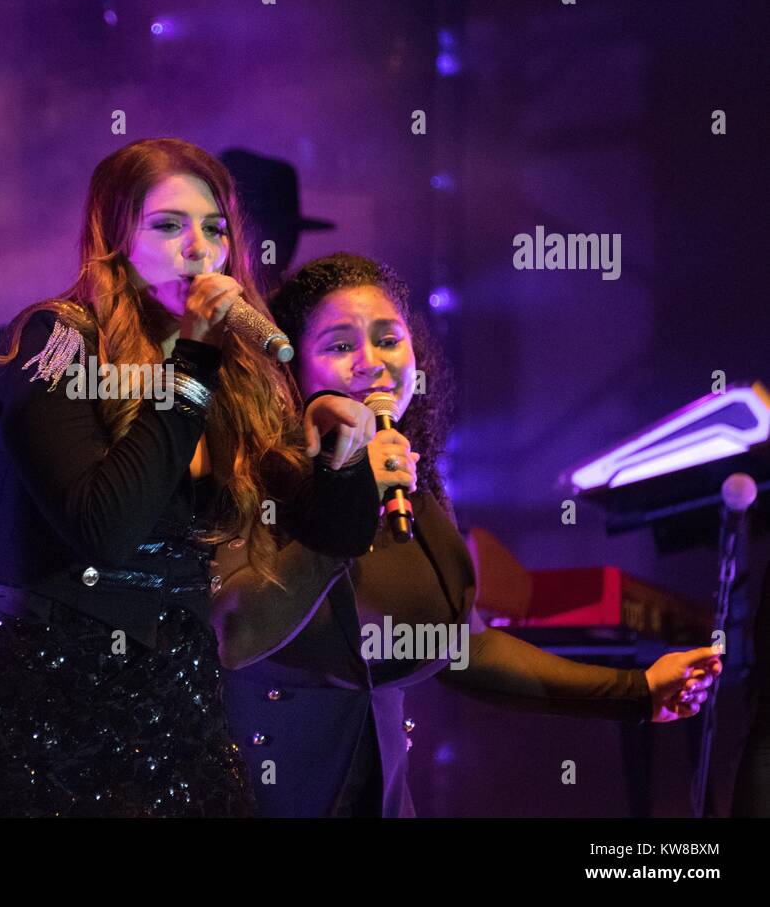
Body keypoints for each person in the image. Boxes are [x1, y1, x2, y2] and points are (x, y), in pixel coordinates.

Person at [0, 138, 383, 817]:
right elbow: (106, 525)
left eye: (215, 228)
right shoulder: (57, 341)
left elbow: (337, 531)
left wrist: (342, 455)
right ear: (116, 238)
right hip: (37, 717)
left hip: (176, 713)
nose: (199, 247)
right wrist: (194, 355)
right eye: (169, 225)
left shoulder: (234, 371)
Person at [212, 252, 723, 817]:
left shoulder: (416, 490)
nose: (372, 363)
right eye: (339, 346)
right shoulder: (255, 475)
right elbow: (235, 629)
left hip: (378, 797)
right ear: (290, 368)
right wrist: (347, 499)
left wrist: (637, 691)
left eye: (389, 339)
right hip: (261, 796)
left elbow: (463, 649)